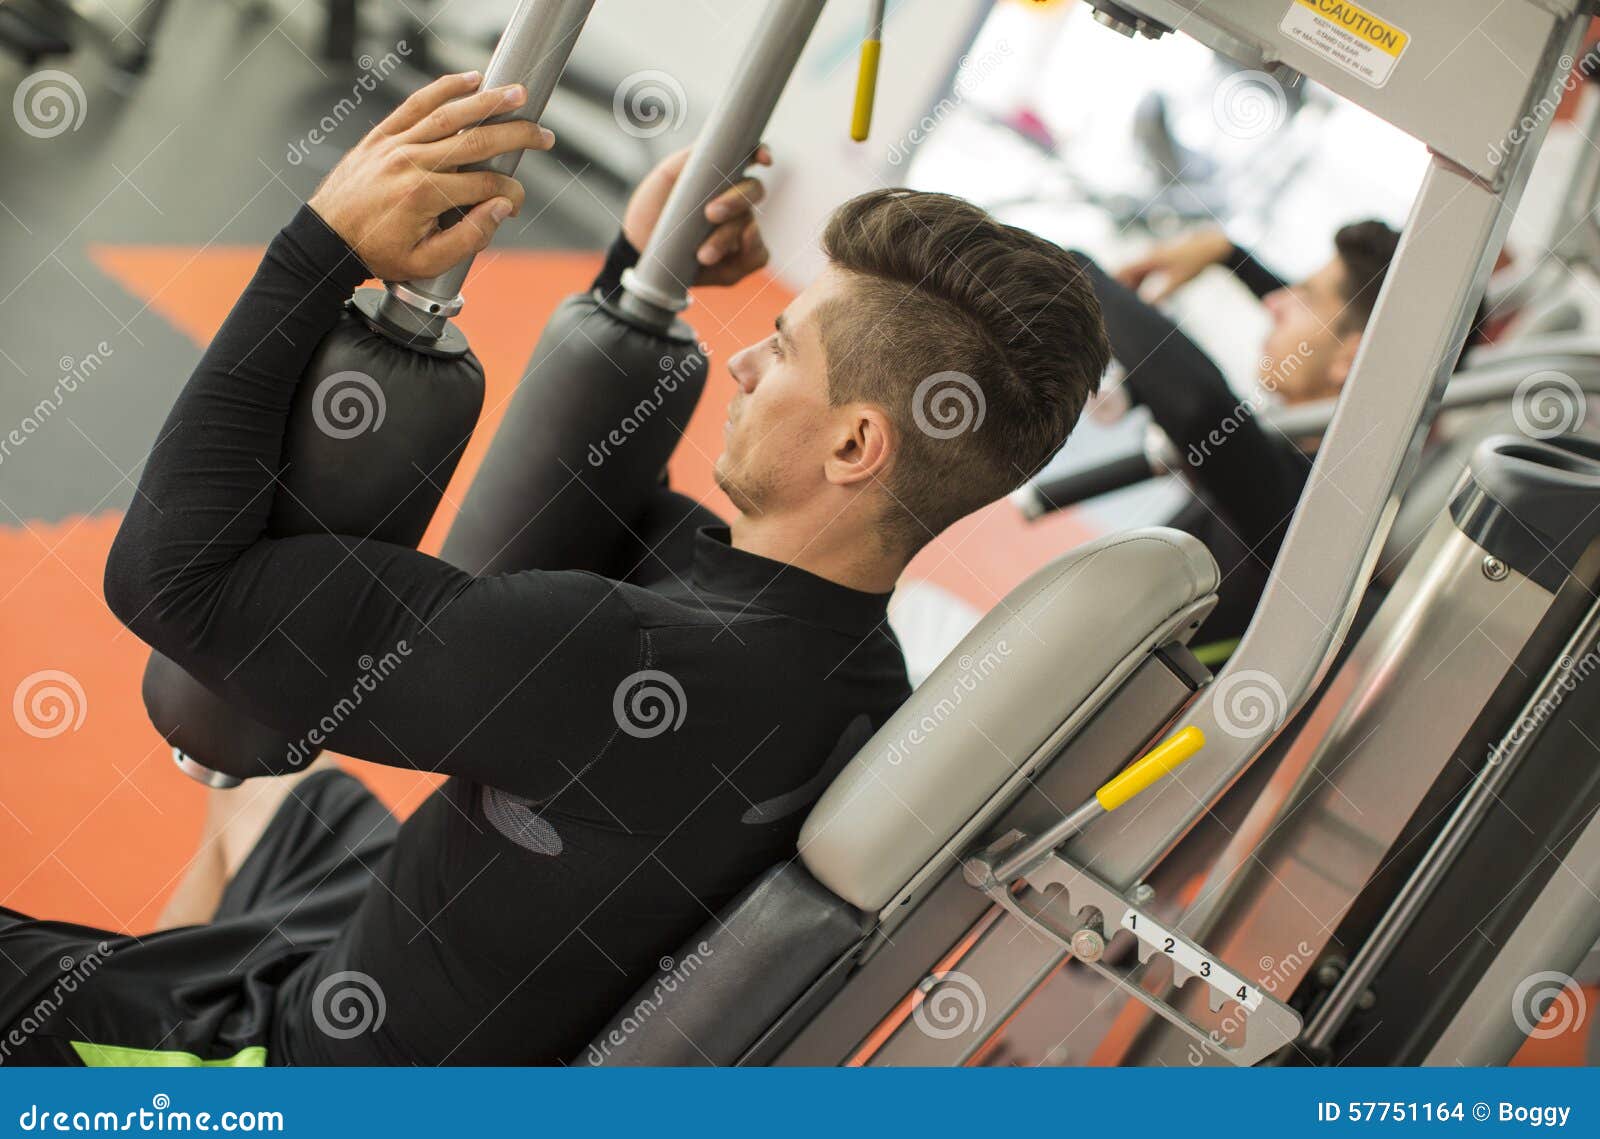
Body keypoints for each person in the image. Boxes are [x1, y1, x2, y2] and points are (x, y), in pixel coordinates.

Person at [0, 71, 1109, 1066]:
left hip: (303, 1074)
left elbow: (174, 585)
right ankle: (150, 986)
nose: (743, 356)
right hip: (386, 970)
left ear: (855, 446)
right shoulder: (838, 660)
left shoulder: (622, 661)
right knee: (266, 803)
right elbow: (603, 521)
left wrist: (319, 246)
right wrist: (647, 265)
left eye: (784, 350)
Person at [1069, 221, 1418, 659]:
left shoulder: (1314, 506)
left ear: (1351, 358)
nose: (1272, 302)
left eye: (1303, 297)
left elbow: (1197, 407)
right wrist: (1228, 254)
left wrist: (1072, 273)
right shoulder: (1316, 461)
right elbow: (1331, 339)